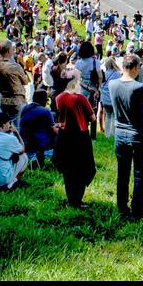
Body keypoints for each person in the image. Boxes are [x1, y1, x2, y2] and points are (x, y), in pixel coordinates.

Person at [110, 53, 143, 219]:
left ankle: (122, 208)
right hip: (138, 134)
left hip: (120, 132)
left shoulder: (113, 84)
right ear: (135, 68)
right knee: (139, 174)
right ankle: (138, 210)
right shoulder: (139, 87)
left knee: (122, 173)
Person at [54, 68, 97, 209]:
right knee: (82, 168)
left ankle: (71, 199)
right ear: (74, 82)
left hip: (63, 136)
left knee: (68, 169)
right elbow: (92, 117)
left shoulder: (58, 97)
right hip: (80, 136)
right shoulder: (80, 98)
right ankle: (77, 200)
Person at [18, 89, 57, 166]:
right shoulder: (45, 111)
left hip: (24, 142)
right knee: (61, 137)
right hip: (38, 143)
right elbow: (54, 131)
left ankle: (39, 162)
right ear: (44, 100)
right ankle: (55, 162)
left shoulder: (25, 108)